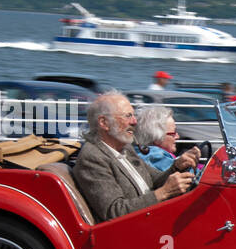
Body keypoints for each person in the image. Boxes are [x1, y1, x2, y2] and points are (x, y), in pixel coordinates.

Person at [72, 91, 199, 222]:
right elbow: (114, 211)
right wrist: (164, 192)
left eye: (133, 115)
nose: (134, 121)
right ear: (104, 123)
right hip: (131, 232)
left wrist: (177, 166)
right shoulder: (92, 157)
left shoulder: (125, 148)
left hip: (151, 220)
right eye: (128, 116)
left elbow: (154, 179)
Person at [134, 105, 179, 171]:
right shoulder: (156, 157)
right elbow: (190, 176)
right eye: (173, 133)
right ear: (157, 138)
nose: (177, 136)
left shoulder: (136, 152)